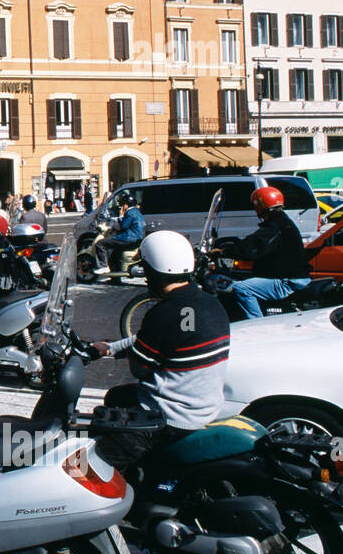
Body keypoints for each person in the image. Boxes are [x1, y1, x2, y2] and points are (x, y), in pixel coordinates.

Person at [90, 231, 229, 475]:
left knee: (93, 465)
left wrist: (132, 351)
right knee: (116, 397)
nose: (144, 278)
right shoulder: (203, 303)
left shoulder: (164, 313)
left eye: (145, 269)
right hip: (203, 406)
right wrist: (111, 348)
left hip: (171, 418)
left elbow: (140, 369)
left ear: (155, 271)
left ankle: (121, 503)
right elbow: (174, 337)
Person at [223, 186, 311, 319]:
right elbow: (256, 242)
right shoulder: (281, 222)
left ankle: (256, 325)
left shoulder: (274, 226)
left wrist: (225, 251)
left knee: (241, 288)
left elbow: (254, 247)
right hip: (290, 276)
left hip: (288, 281)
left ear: (259, 205)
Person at [92, 192, 144, 275]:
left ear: (126, 205)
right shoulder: (137, 212)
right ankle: (115, 276)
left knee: (100, 243)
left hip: (128, 239)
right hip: (136, 239)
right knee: (115, 252)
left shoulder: (130, 213)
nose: (122, 207)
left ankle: (103, 266)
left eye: (123, 205)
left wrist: (120, 216)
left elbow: (123, 226)